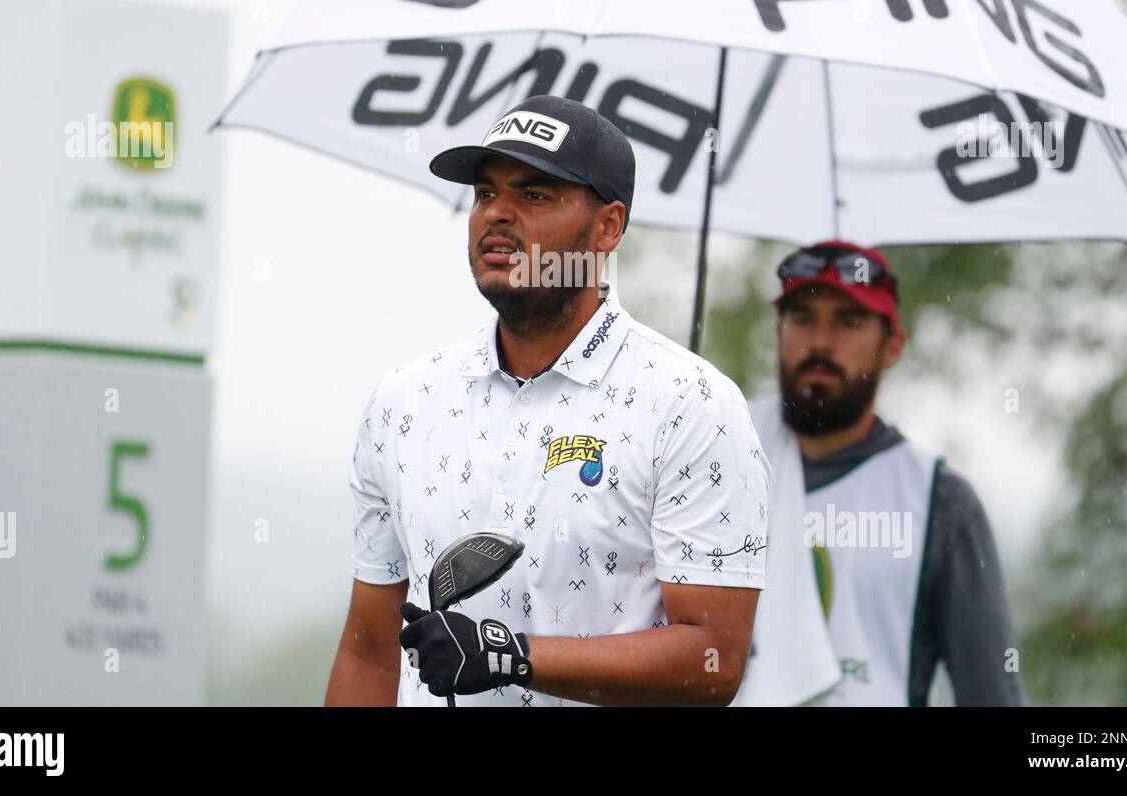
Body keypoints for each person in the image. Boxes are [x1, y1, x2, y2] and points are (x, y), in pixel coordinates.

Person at [324, 95, 830, 706]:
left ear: (609, 226)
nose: (498, 215)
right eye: (486, 193)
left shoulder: (693, 404)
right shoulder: (403, 403)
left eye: (534, 195)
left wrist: (508, 655)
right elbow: (370, 650)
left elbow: (711, 659)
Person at [737, 240, 1024, 706]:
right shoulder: (717, 452)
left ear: (892, 346)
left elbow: (991, 693)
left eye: (848, 322)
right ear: (779, 331)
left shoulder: (940, 503)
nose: (821, 343)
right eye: (804, 318)